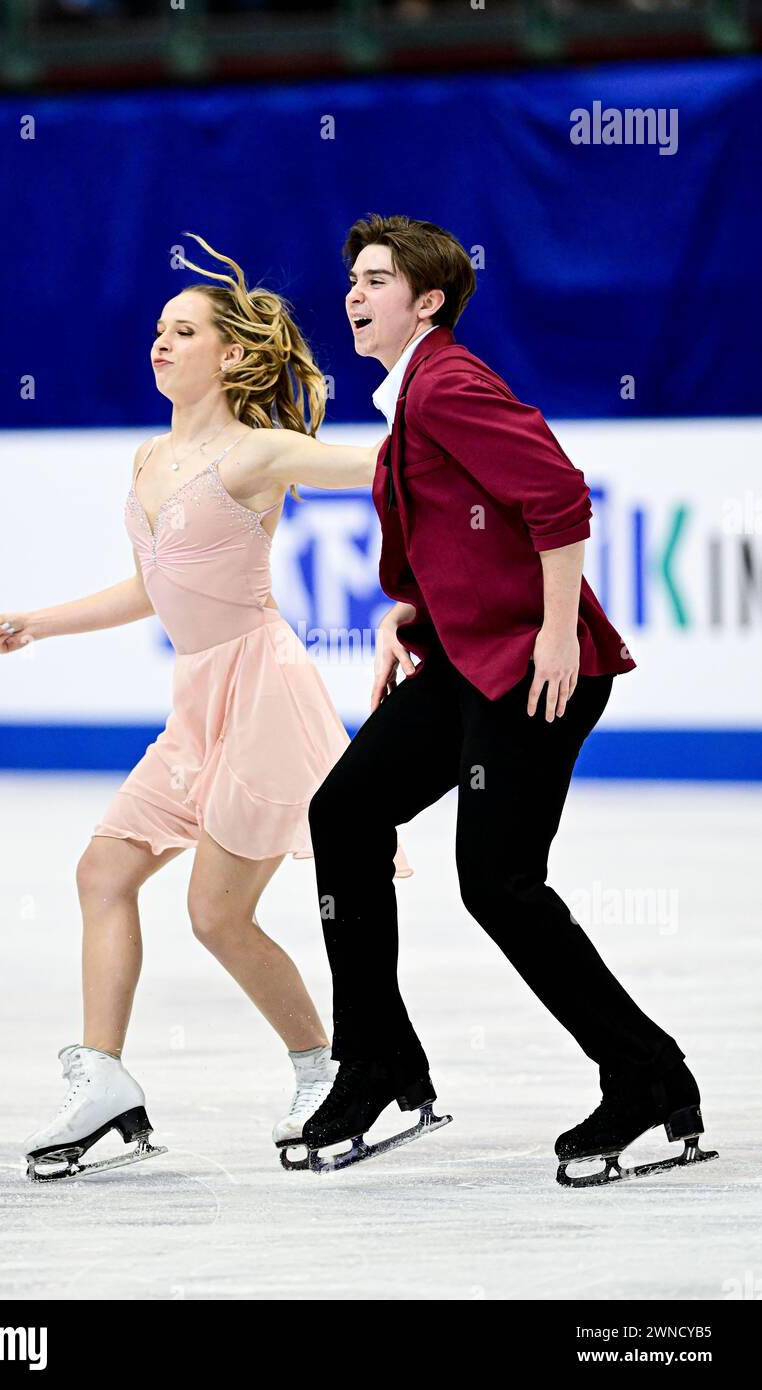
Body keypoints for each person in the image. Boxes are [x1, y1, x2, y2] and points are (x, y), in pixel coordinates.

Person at [0, 232, 411, 1180]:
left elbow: (395, 469)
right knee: (101, 872)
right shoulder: (149, 457)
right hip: (195, 700)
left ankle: (326, 1070)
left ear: (233, 354)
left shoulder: (260, 454)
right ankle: (107, 1082)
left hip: (263, 693)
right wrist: (34, 622)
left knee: (215, 914)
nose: (160, 342)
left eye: (183, 331)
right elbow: (151, 588)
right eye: (159, 329)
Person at [301, 214, 714, 1184]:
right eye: (350, 279)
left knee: (495, 882)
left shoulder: (445, 382)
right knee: (345, 810)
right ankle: (375, 1063)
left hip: (533, 671)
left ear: (427, 299)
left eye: (373, 280)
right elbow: (458, 529)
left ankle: (645, 1076)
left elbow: (558, 496)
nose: (353, 294)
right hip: (469, 661)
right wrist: (413, 611)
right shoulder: (411, 396)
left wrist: (559, 633)